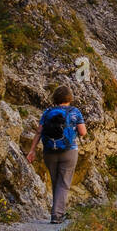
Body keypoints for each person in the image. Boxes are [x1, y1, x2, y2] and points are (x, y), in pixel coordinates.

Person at [26, 85, 87, 223]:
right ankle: (57, 215)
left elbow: (39, 132)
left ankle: (57, 211)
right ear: (69, 97)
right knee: (64, 183)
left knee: (56, 181)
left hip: (49, 151)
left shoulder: (47, 112)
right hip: (69, 151)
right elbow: (83, 132)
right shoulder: (75, 112)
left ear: (55, 97)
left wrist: (32, 150)